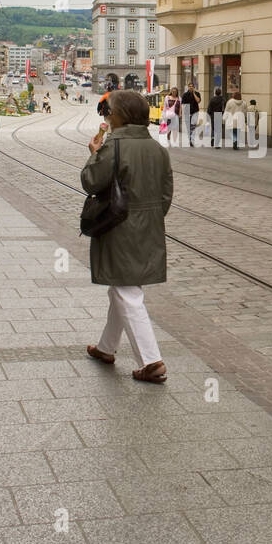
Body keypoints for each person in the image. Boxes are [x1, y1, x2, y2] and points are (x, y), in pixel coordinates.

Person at [82, 88, 172, 384]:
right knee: (121, 286)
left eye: (109, 111)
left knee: (126, 291)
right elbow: (165, 196)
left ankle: (151, 361)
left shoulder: (113, 147)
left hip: (118, 227)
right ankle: (107, 348)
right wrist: (147, 216)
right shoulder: (158, 149)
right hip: (148, 226)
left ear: (120, 116)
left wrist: (94, 155)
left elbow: (91, 182)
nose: (106, 115)